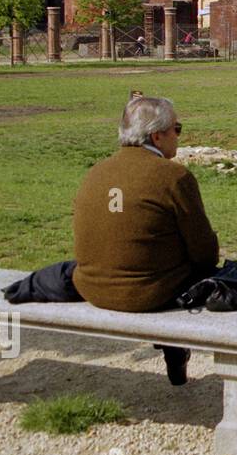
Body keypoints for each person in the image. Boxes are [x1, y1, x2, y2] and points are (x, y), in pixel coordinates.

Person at [72, 94, 219, 385]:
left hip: (92, 286)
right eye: (177, 129)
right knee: (203, 274)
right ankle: (175, 351)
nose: (179, 136)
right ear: (157, 136)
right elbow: (204, 253)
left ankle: (174, 353)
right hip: (147, 293)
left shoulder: (96, 171)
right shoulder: (173, 176)